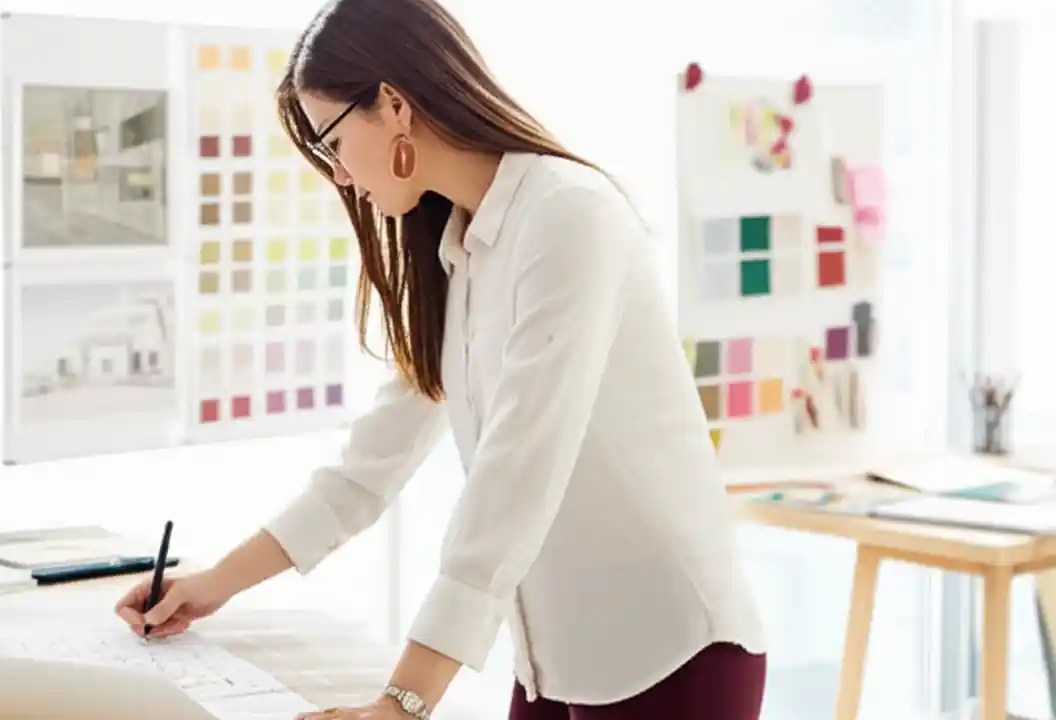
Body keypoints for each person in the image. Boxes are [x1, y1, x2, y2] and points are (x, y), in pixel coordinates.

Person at [115, 0, 768, 717]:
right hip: (554, 656)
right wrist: (215, 582)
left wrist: (403, 702)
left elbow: (516, 473)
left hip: (669, 650)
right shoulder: (458, 249)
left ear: (393, 105)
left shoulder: (567, 218)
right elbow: (366, 470)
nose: (339, 175)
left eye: (333, 142)